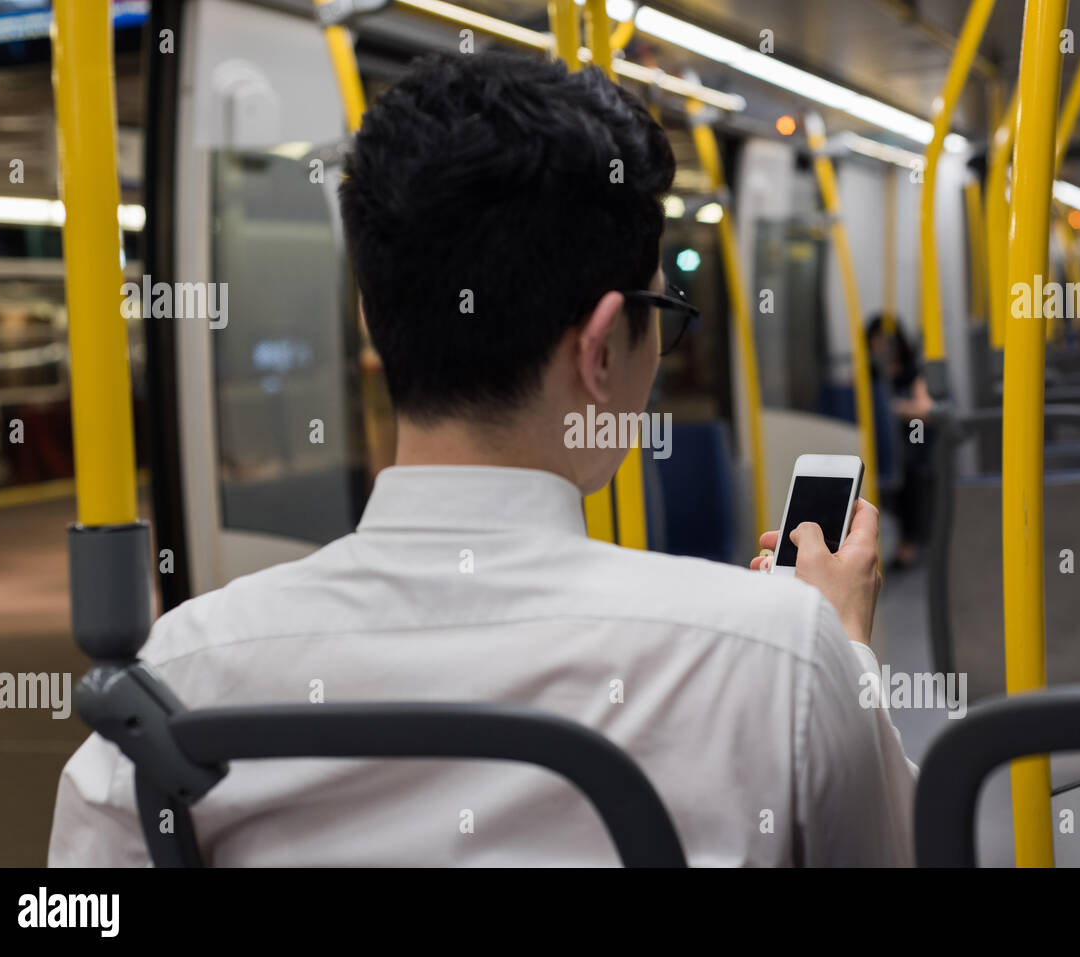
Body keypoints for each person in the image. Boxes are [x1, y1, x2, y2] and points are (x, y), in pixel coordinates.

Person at [48, 51, 916, 867]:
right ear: (604, 347)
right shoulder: (775, 654)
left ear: (368, 321)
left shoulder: (179, 678)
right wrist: (847, 653)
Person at [866, 313, 933, 569]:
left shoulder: (912, 373)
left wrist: (890, 407)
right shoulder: (868, 376)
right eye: (877, 342)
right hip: (878, 442)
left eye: (887, 341)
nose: (883, 348)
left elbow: (924, 411)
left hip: (911, 439)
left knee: (910, 468)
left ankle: (909, 540)